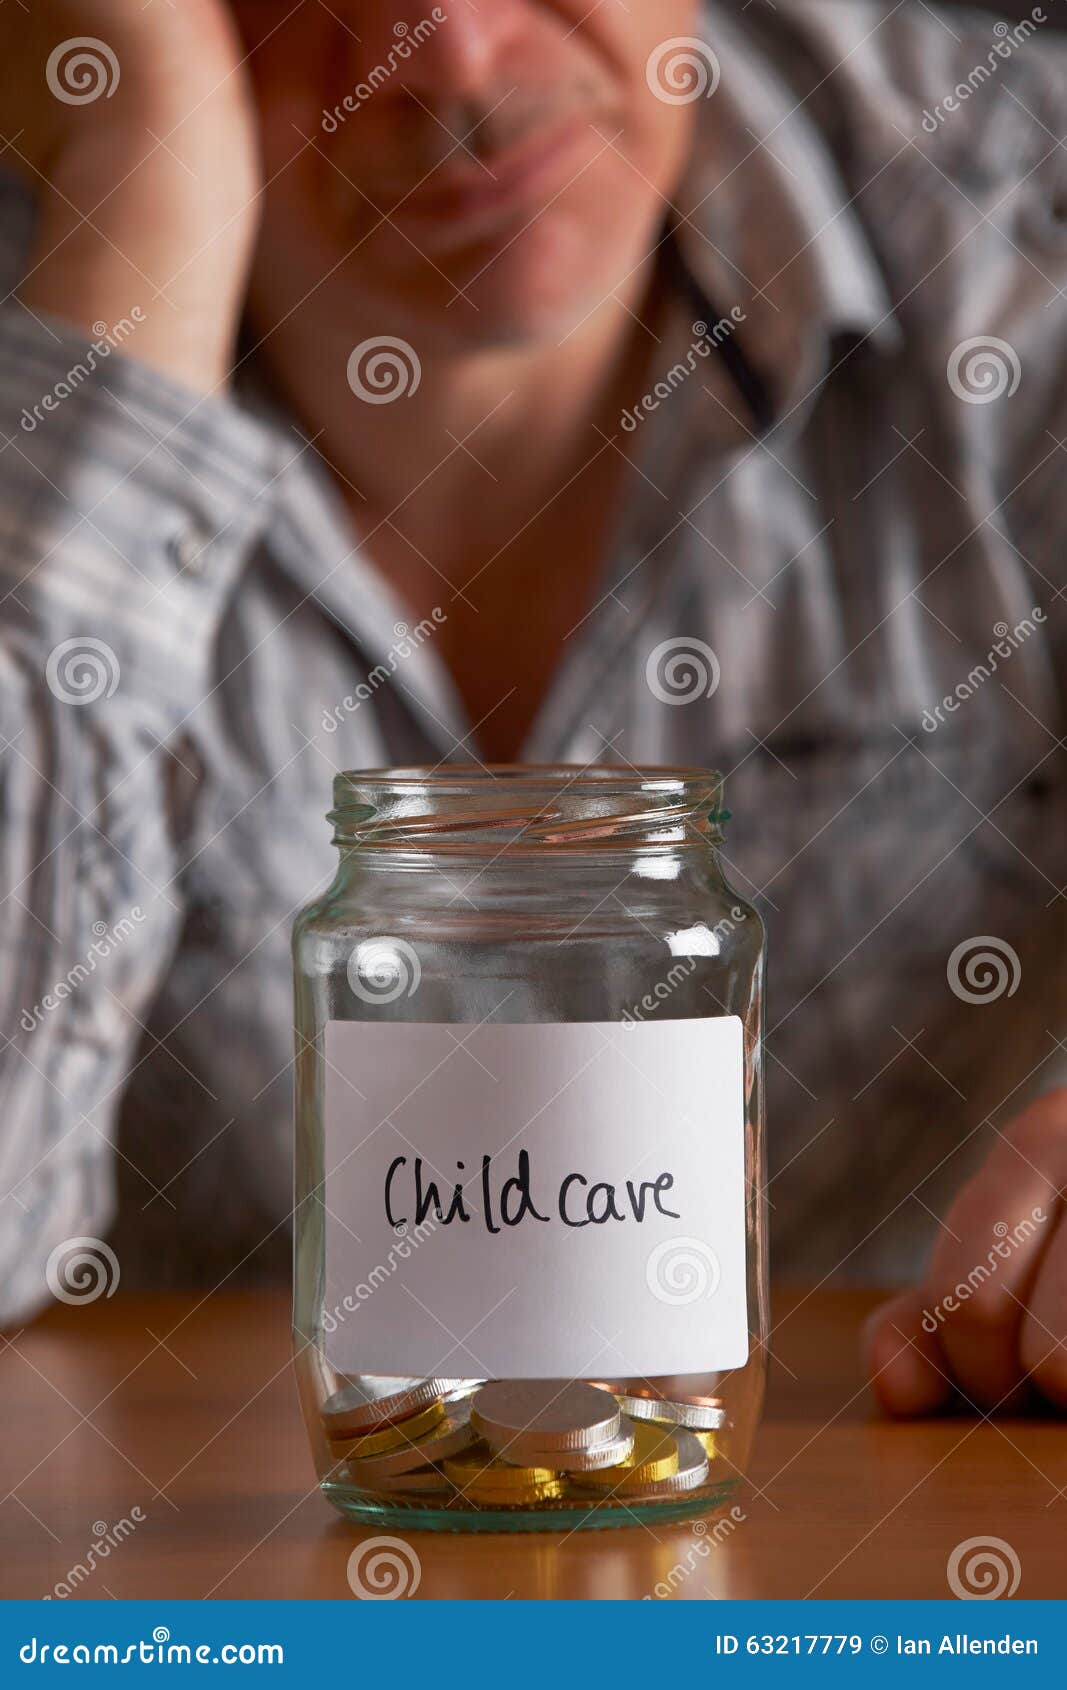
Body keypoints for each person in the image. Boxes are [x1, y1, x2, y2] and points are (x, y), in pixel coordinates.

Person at [0, 0, 1064, 1421]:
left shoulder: (1021, 216)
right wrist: (147, 161)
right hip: (241, 1596)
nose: (450, 59)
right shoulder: (67, 249)